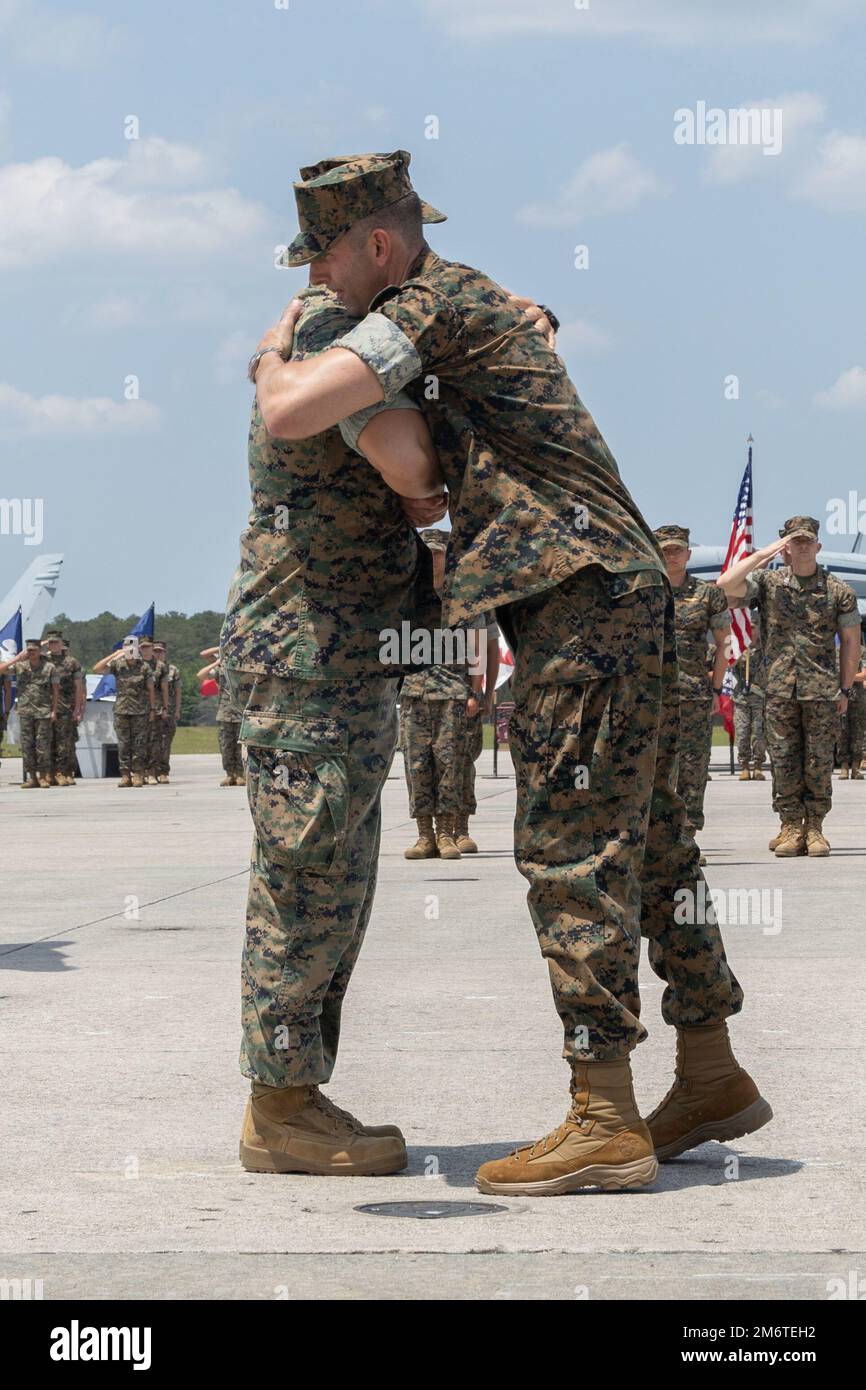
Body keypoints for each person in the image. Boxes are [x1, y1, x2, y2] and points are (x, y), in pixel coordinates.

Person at [249, 149, 768, 1195]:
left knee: (569, 849)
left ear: (378, 245)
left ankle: (604, 1116)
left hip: (576, 599)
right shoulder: (466, 302)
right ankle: (708, 1070)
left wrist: (270, 353)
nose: (315, 285)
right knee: (656, 836)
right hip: (628, 595)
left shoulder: (426, 307)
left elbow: (295, 410)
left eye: (324, 260)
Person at [220, 263, 452, 1178]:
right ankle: (279, 1107)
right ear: (379, 242)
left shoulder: (311, 338)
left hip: (341, 668)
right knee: (307, 892)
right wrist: (424, 489)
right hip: (313, 670)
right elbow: (411, 463)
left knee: (333, 890)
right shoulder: (327, 336)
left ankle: (293, 1095)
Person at [717, 516, 860, 856]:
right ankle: (790, 826)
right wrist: (763, 554)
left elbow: (851, 642)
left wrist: (845, 689)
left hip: (821, 691)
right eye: (795, 541)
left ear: (818, 546)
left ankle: (814, 829)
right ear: (786, 548)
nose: (802, 546)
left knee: (819, 761)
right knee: (782, 761)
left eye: (808, 541)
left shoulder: (838, 590)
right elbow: (725, 585)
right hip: (778, 690)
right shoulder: (768, 583)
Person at [401, 529, 484, 861]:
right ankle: (424, 836)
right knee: (417, 766)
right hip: (413, 695)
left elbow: (478, 650)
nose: (435, 561)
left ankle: (447, 834)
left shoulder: (463, 600)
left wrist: (476, 691)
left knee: (449, 766)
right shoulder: (408, 598)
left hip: (452, 694)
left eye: (440, 556)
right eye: (430, 555)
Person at [654, 527, 730, 860]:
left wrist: (716, 687)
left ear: (688, 555)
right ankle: (657, 838)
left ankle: (686, 835)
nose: (672, 555)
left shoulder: (708, 595)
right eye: (666, 550)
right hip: (652, 697)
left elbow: (723, 645)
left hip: (695, 695)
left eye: (677, 550)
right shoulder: (646, 593)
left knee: (693, 768)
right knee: (655, 767)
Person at [456, 608, 501, 854]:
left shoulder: (478, 598)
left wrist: (487, 692)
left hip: (465, 696)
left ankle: (461, 829)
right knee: (423, 764)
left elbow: (491, 648)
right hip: (425, 693)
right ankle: (429, 834)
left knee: (463, 763)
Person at [93, 638, 156, 787]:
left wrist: (153, 709)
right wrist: (115, 654)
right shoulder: (117, 665)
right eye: (127, 648)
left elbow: (151, 689)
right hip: (122, 710)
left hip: (140, 711)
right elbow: (97, 669)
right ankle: (126, 775)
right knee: (123, 744)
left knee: (139, 744)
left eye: (132, 648)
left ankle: (138, 774)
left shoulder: (144, 667)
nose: (130, 651)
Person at [0, 638, 58, 787]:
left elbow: (55, 691)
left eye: (34, 650)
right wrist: (17, 658)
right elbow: (2, 669)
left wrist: (54, 710)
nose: (31, 653)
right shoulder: (20, 666)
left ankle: (43, 776)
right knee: (27, 746)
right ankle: (32, 777)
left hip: (43, 711)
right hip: (26, 711)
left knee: (42, 745)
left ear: (39, 651)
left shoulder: (49, 667)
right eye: (29, 650)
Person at [198, 649, 245, 786]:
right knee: (225, 746)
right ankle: (230, 774)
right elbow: (201, 675)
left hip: (240, 713)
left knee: (240, 746)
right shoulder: (220, 670)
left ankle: (241, 774)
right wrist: (217, 661)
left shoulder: (243, 668)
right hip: (224, 713)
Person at [44, 630, 85, 786]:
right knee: (47, 742)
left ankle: (63, 772)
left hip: (65, 707)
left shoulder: (71, 662)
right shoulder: (43, 660)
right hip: (45, 707)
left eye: (56, 642)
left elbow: (79, 687)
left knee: (64, 742)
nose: (53, 645)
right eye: (50, 643)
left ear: (61, 644)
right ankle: (49, 773)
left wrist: (77, 709)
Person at [732, 620, 767, 782]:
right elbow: (730, 665)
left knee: (758, 733)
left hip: (759, 697)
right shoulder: (739, 649)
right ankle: (744, 766)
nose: (751, 632)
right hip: (741, 697)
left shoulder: (765, 649)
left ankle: (758, 766)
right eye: (749, 628)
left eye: (754, 628)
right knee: (742, 732)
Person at [138, 637, 168, 785]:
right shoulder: (134, 664)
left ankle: (152, 772)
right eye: (142, 647)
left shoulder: (160, 666)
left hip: (154, 708)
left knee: (154, 741)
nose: (146, 649)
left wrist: (165, 707)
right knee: (139, 742)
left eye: (148, 647)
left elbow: (164, 689)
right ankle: (139, 772)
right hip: (136, 708)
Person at [836, 636, 866, 780]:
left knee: (858, 732)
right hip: (841, 697)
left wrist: (847, 677)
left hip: (858, 699)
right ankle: (844, 767)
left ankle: (855, 767)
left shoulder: (863, 652)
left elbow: (864, 675)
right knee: (842, 732)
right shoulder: (837, 652)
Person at [152, 641, 181, 782]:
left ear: (165, 652)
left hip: (167, 711)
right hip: (152, 710)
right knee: (151, 742)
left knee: (165, 743)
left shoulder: (172, 670)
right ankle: (151, 771)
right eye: (155, 651)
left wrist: (177, 710)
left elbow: (177, 692)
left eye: (160, 651)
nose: (158, 653)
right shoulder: (147, 668)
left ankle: (163, 772)